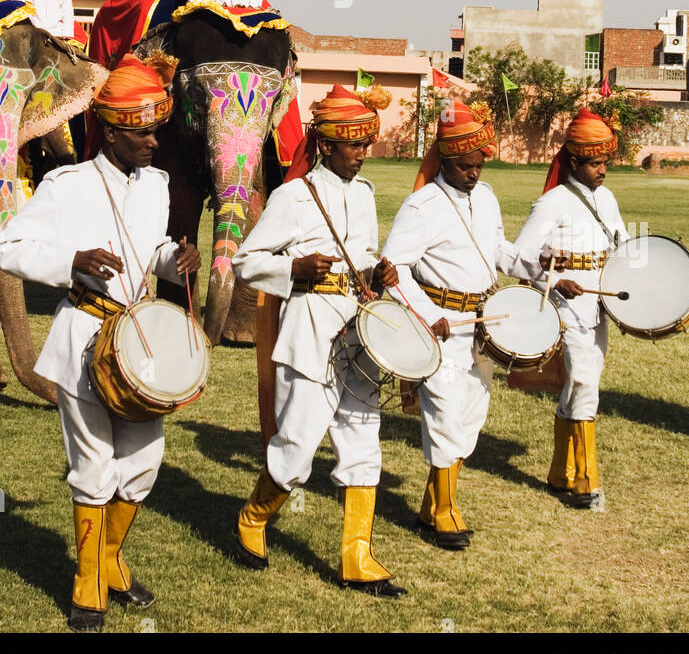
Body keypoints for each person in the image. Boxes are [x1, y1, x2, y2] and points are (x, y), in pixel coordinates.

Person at [0, 55, 201, 632]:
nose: (153, 141)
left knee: (143, 463)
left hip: (137, 344)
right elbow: (4, 248)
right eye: (141, 132)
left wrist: (173, 259)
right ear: (110, 132)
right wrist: (70, 261)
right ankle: (89, 582)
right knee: (93, 464)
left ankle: (109, 559)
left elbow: (148, 250)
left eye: (156, 128)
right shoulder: (67, 184)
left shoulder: (155, 185)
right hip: (83, 334)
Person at [232, 84, 406, 597]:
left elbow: (364, 259)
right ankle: (252, 518)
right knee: (296, 450)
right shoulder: (294, 196)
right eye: (352, 145)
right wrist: (294, 268)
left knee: (362, 445)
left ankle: (357, 558)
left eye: (365, 144)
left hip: (361, 333)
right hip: (309, 332)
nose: (361, 154)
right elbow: (246, 261)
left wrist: (381, 271)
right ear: (324, 144)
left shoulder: (367, 194)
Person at [381, 101, 538, 550]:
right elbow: (394, 267)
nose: (474, 174)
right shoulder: (422, 205)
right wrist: (432, 317)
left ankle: (432, 504)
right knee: (446, 415)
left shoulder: (486, 198)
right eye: (466, 166)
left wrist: (538, 263)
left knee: (472, 414)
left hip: (483, 325)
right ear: (445, 161)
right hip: (441, 326)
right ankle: (446, 512)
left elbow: (498, 252)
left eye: (479, 165)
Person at [512, 108, 626, 512]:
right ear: (574, 161)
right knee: (583, 380)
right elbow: (517, 256)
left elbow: (621, 246)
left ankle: (560, 473)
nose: (602, 171)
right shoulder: (551, 203)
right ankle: (585, 479)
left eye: (605, 163)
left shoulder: (608, 199)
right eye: (595, 163)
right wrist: (553, 280)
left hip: (601, 302)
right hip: (566, 303)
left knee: (584, 378)